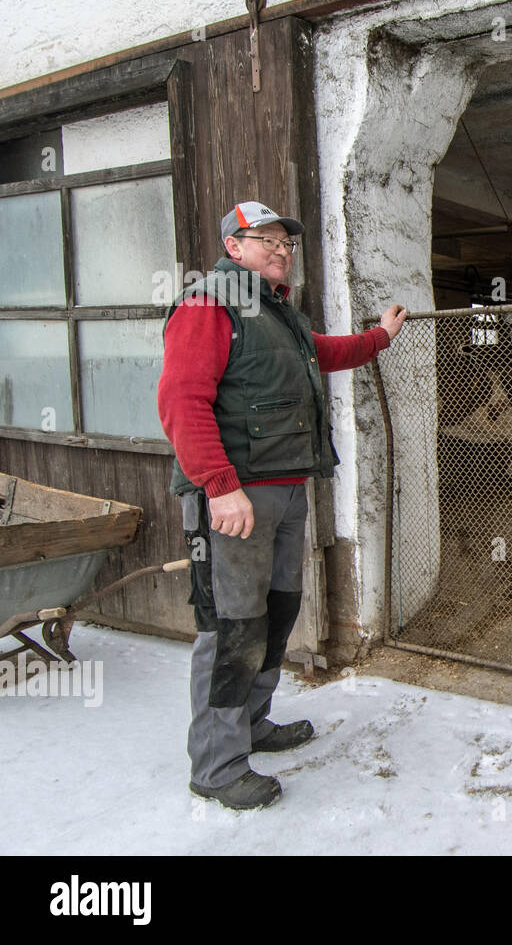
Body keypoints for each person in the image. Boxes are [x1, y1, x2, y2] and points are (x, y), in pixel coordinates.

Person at [156, 201, 406, 810]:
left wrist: (380, 337)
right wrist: (219, 485)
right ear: (233, 247)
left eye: (286, 242)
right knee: (232, 629)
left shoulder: (277, 315)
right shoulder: (207, 303)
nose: (281, 248)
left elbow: (324, 352)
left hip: (285, 489)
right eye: (264, 239)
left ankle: (253, 724)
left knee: (276, 613)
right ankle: (216, 766)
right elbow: (181, 402)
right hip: (236, 498)